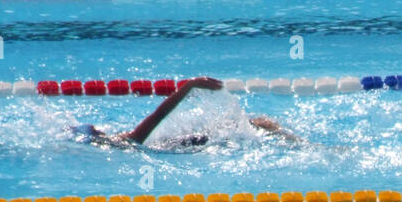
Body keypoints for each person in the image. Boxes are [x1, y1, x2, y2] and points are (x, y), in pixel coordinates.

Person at [70, 77, 296, 149]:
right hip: (189, 146)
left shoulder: (123, 141)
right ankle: (299, 144)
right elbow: (160, 115)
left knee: (256, 124)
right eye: (95, 129)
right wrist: (189, 87)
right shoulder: (130, 140)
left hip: (179, 145)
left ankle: (294, 142)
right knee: (257, 125)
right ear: (97, 135)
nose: (99, 127)